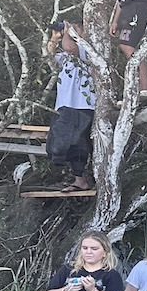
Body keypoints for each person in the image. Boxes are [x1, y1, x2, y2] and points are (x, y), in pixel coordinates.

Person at [43, 23, 97, 192]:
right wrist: (54, 38)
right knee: (66, 144)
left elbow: (71, 47)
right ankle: (78, 179)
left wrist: (69, 30)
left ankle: (82, 179)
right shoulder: (66, 57)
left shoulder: (86, 50)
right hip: (66, 105)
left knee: (77, 143)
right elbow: (47, 57)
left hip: (82, 104)